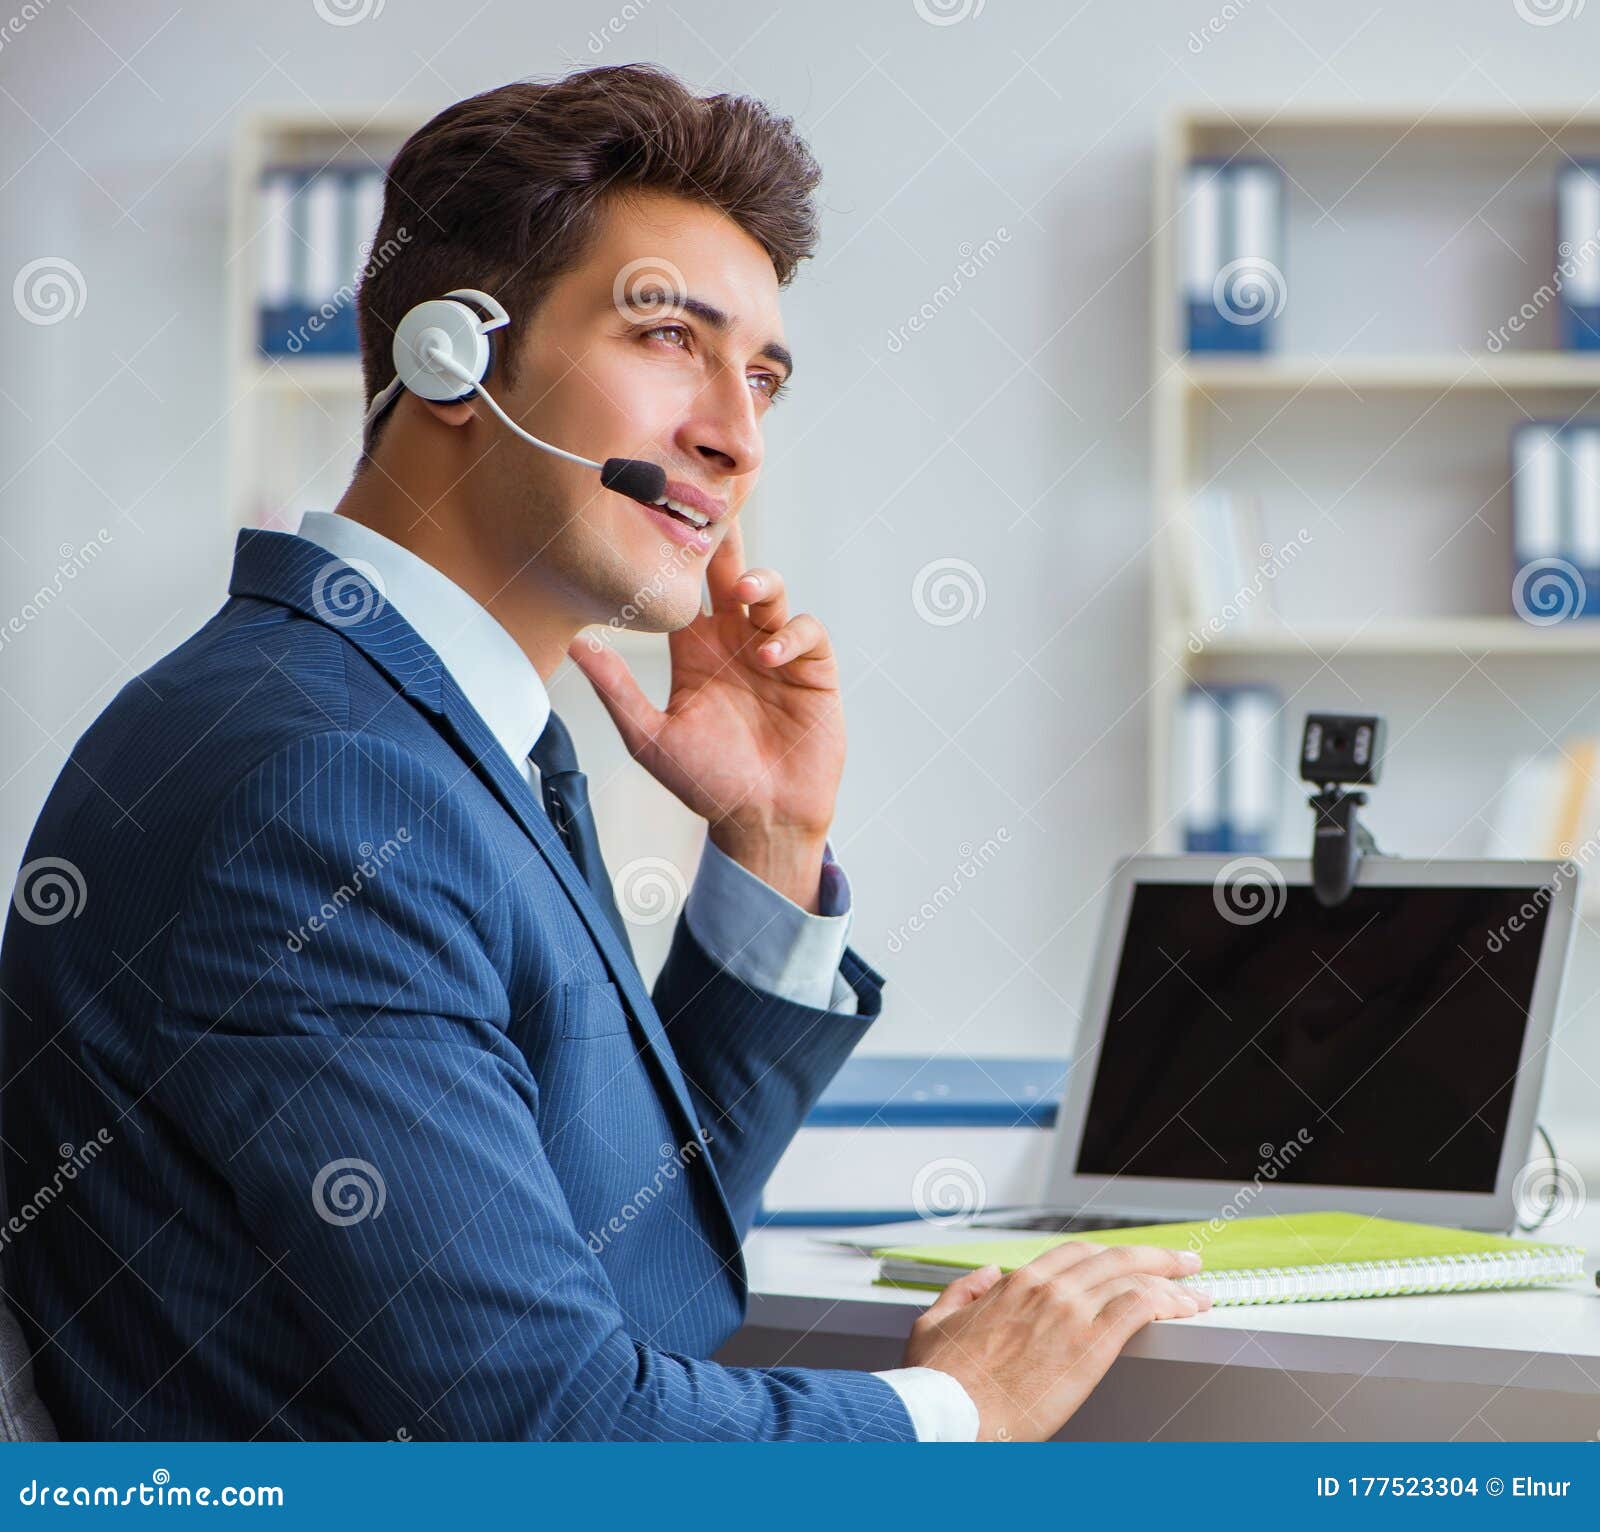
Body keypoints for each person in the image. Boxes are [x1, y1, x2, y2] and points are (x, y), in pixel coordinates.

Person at [0, 63, 1206, 1443]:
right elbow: (557, 1432)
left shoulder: (435, 737)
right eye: (666, 339)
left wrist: (767, 843)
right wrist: (962, 1409)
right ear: (451, 360)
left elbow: (614, 1256)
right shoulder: (321, 784)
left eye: (761, 376)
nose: (734, 435)